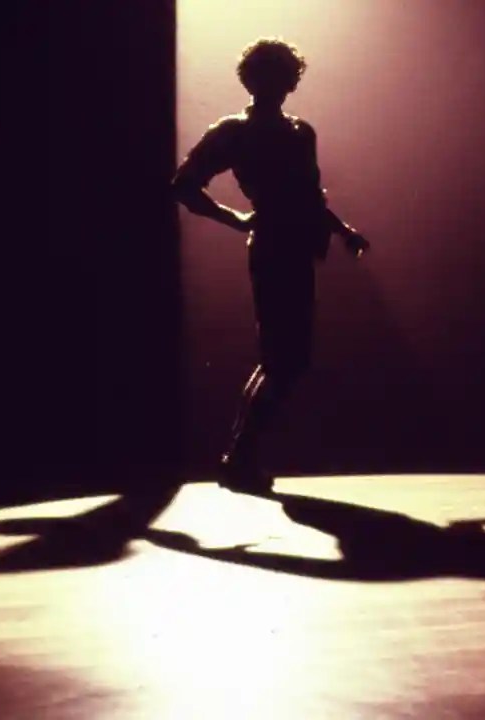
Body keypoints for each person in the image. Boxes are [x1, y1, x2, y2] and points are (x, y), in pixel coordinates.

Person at [173, 37, 370, 495]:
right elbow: (184, 184)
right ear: (254, 79)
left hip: (298, 247)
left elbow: (308, 195)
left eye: (284, 76)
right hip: (274, 247)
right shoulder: (233, 131)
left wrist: (342, 230)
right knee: (286, 360)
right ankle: (239, 458)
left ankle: (238, 458)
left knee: (284, 359)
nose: (279, 84)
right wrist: (237, 218)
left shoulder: (301, 132)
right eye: (272, 75)